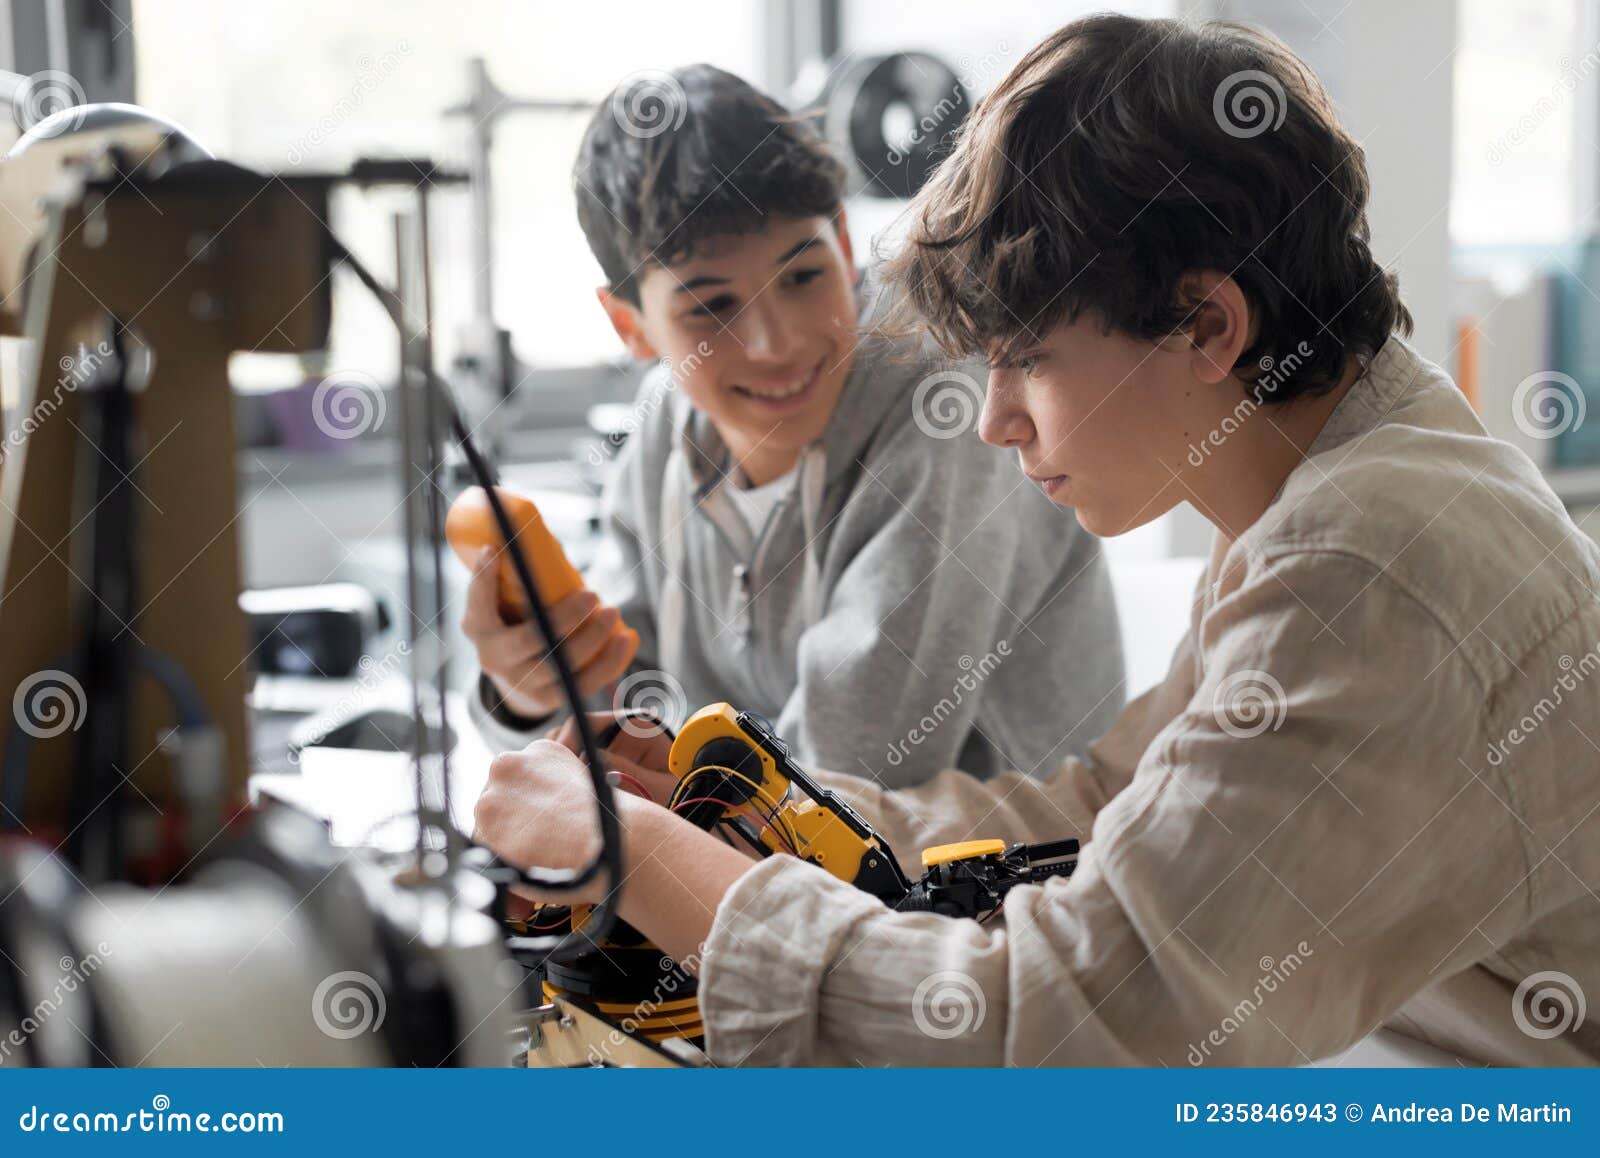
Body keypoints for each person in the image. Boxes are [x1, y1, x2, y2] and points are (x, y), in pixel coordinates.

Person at [473, 16, 1600, 1065]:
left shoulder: (1367, 565)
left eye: (1027, 360)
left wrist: (645, 858)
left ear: (1208, 323)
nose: (997, 419)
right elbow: (1112, 808)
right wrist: (741, 809)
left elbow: (1056, 1033)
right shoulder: (1327, 487)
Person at [463, 63, 1125, 786]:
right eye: (710, 307)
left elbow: (856, 777)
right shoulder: (667, 425)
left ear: (843, 243)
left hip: (987, 884)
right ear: (630, 324)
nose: (775, 345)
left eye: (804, 276)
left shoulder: (952, 411)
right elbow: (620, 711)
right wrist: (529, 695)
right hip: (764, 875)